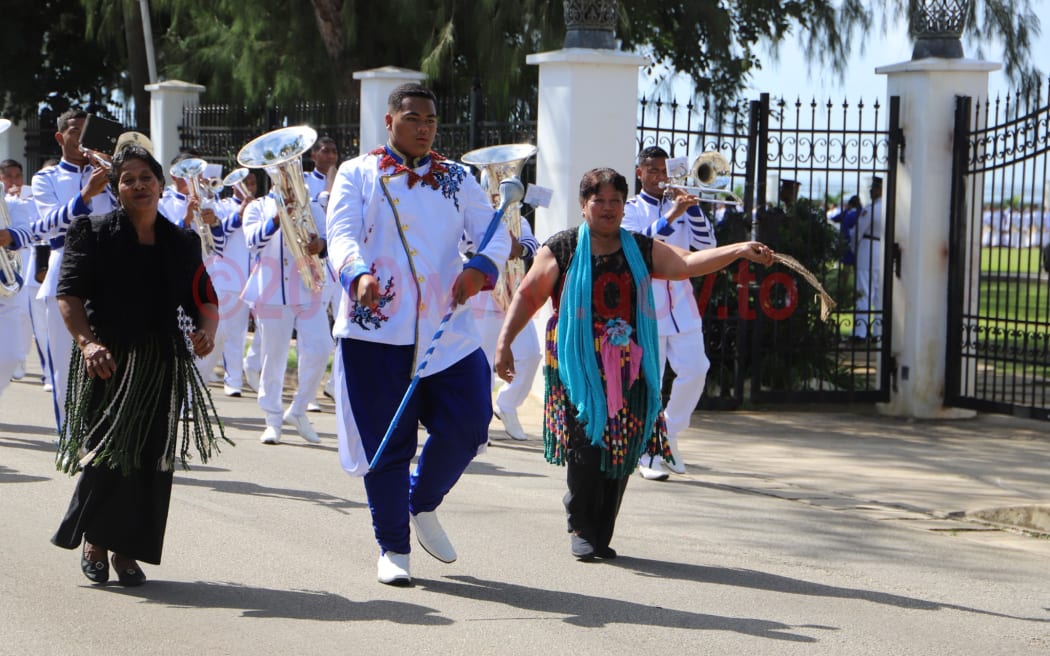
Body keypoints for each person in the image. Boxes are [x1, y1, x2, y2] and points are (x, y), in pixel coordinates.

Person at [494, 167, 773, 561]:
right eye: (599, 201)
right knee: (588, 442)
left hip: (629, 366)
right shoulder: (563, 248)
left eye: (615, 202)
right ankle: (580, 523)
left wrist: (740, 248)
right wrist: (504, 344)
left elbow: (687, 264)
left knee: (623, 446)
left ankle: (600, 529)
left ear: (625, 206)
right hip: (578, 366)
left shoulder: (640, 249)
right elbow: (527, 295)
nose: (608, 209)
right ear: (583, 205)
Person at [326, 83, 511, 585]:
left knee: (471, 424)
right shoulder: (357, 173)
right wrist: (356, 274)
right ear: (390, 122)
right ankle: (392, 547)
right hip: (376, 332)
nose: (424, 127)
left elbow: (495, 233)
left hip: (447, 330)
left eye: (430, 119)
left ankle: (421, 501)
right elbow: (339, 232)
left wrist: (480, 267)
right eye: (413, 118)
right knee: (388, 444)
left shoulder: (457, 177)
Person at [50, 142, 229, 586]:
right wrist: (88, 345)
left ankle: (129, 550)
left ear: (160, 184)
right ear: (116, 188)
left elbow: (204, 295)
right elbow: (68, 296)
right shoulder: (90, 231)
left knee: (150, 457)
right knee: (108, 453)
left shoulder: (182, 240)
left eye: (145, 177)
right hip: (106, 359)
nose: (138, 185)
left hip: (159, 362)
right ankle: (95, 539)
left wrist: (205, 329)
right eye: (127, 179)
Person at [621, 146, 717, 480]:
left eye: (665, 170)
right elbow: (636, 245)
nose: (661, 176)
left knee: (696, 369)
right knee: (651, 381)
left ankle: (668, 432)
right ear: (640, 173)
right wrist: (672, 215)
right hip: (648, 304)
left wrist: (691, 210)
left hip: (682, 303)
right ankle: (648, 451)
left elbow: (706, 247)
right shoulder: (631, 209)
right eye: (653, 170)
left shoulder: (683, 207)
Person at [30, 109, 117, 434]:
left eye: (86, 132)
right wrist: (85, 195)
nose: (80, 138)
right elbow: (47, 226)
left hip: (108, 279)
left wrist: (113, 175)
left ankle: (102, 436)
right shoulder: (46, 179)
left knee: (108, 361)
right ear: (59, 137)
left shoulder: (109, 177)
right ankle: (69, 438)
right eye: (74, 131)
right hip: (63, 277)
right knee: (66, 367)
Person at [241, 160, 332, 445]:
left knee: (321, 348)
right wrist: (277, 219)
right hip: (270, 292)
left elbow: (330, 239)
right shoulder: (257, 207)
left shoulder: (311, 204)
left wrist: (321, 245)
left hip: (307, 288)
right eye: (280, 172)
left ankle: (299, 409)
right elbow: (251, 242)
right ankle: (272, 419)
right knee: (274, 356)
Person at [463, 214, 542, 441]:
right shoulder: (471, 212)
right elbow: (461, 245)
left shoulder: (516, 216)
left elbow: (530, 246)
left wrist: (517, 248)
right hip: (483, 297)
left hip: (513, 295)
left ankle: (506, 404)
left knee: (530, 355)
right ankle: (480, 420)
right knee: (483, 362)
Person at [853, 176, 883, 342]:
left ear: (880, 190)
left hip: (867, 250)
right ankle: (879, 333)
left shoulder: (871, 209)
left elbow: (858, 231)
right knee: (879, 295)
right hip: (882, 252)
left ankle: (861, 332)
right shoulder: (890, 208)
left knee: (864, 293)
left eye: (874, 188)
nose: (871, 191)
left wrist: (853, 248)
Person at [831, 194, 862, 267]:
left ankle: (844, 278)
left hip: (848, 242)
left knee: (847, 265)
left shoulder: (848, 215)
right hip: (860, 242)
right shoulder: (862, 213)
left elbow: (835, 219)